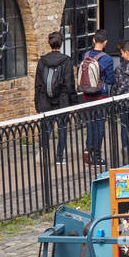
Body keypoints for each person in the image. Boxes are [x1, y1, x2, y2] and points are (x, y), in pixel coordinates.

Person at [35, 31, 77, 164]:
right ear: (61, 43)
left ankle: (44, 155)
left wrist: (37, 102)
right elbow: (70, 84)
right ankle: (59, 156)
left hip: (45, 100)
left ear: (49, 43)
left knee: (46, 129)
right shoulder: (66, 61)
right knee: (62, 128)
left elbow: (38, 83)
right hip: (63, 100)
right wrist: (74, 103)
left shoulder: (42, 61)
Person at [77, 30, 117, 166]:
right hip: (101, 96)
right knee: (99, 125)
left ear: (94, 40)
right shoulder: (107, 59)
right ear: (105, 42)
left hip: (87, 95)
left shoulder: (85, 55)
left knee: (90, 124)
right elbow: (111, 80)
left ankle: (88, 149)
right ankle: (97, 155)